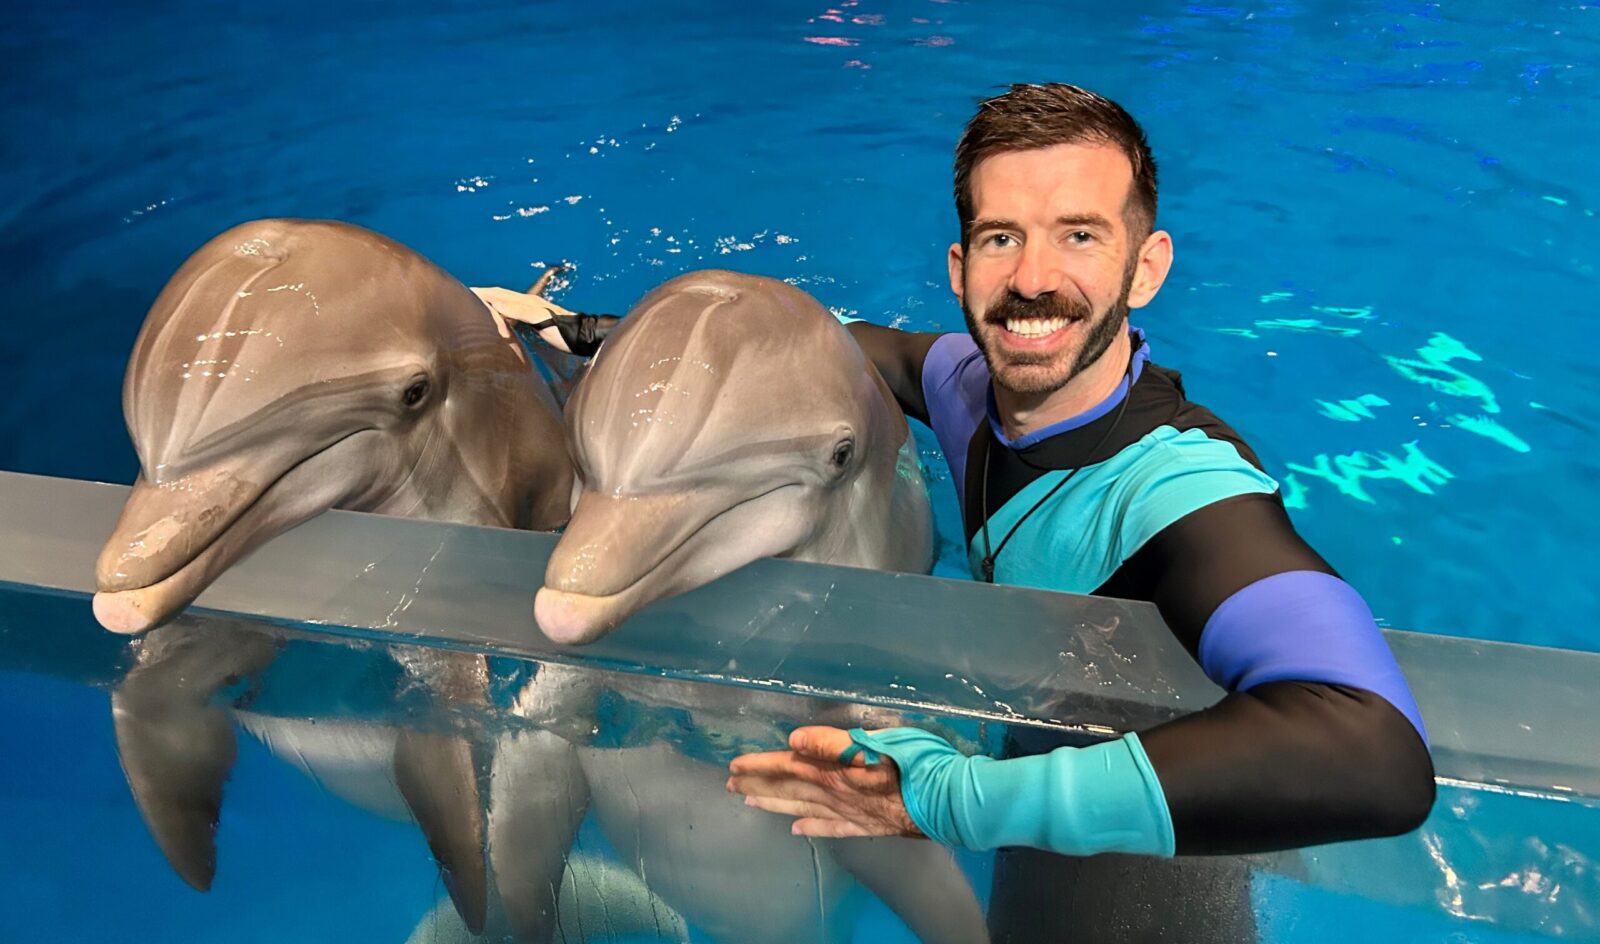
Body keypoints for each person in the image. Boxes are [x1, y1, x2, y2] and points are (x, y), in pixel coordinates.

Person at [476, 83, 1435, 942]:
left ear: (1146, 268)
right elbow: (814, 351)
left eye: (1080, 234)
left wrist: (958, 798)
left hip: (1147, 858)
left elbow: (1375, 754)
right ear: (960, 263)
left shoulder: (1180, 494)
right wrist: (583, 332)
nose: (1031, 279)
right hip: (1029, 791)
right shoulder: (962, 382)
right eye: (1001, 237)